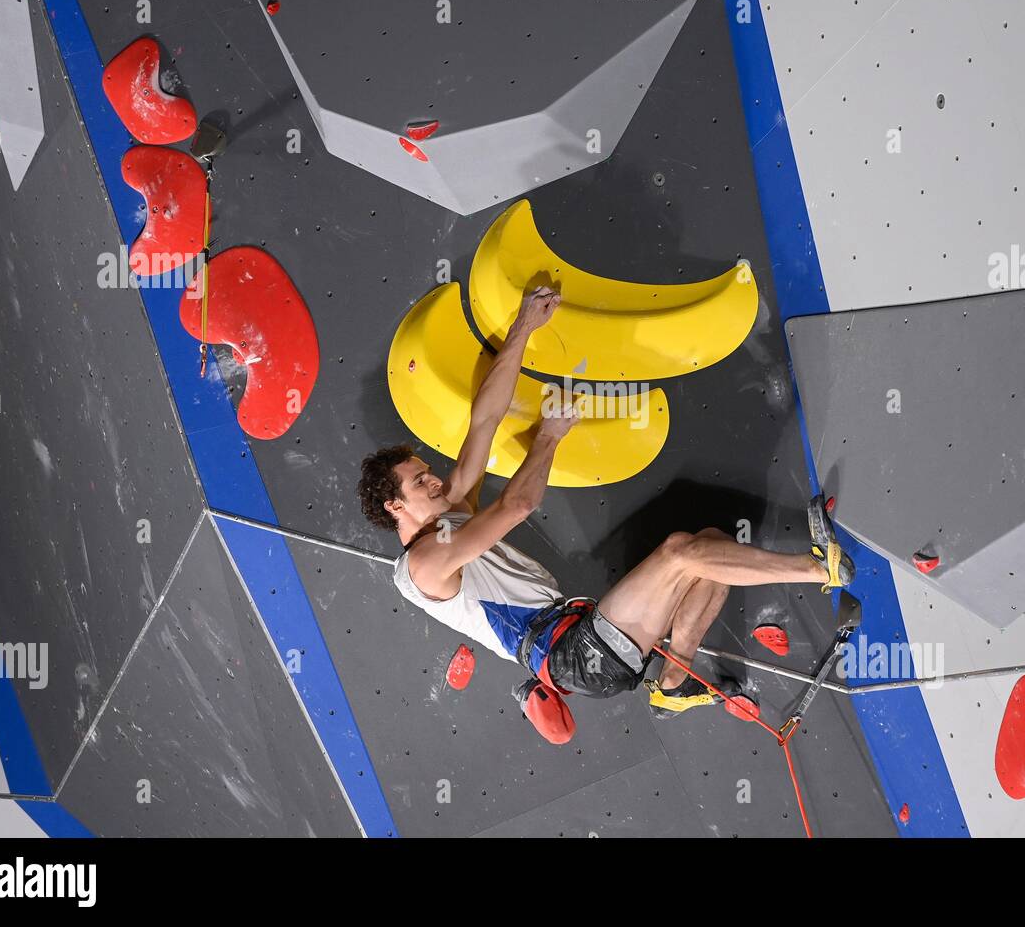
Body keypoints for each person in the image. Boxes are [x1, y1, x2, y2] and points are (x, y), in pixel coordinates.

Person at [358, 285, 852, 741]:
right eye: (420, 480)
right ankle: (819, 567)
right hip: (575, 656)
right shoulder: (424, 564)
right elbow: (519, 504)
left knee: (709, 548)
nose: (435, 480)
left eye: (428, 471)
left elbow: (484, 421)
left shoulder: (447, 514)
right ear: (395, 505)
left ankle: (672, 684)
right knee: (682, 553)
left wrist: (523, 330)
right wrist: (549, 436)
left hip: (578, 637)